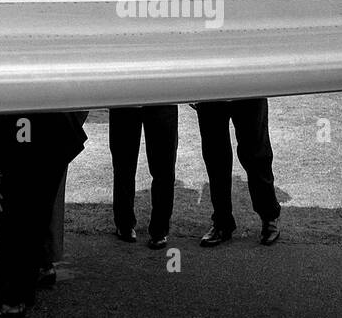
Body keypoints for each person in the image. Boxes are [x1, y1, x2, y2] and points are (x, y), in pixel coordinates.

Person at [0, 111, 89, 318]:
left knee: (16, 217)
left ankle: (14, 298)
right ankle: (21, 290)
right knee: (31, 218)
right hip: (49, 135)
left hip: (33, 138)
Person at [194, 98, 281, 246]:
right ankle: (222, 222)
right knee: (215, 156)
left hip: (247, 86)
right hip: (210, 86)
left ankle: (269, 217)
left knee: (256, 154)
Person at [108, 104, 178, 249]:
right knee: (123, 165)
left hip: (162, 95)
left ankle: (159, 228)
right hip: (126, 94)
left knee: (164, 166)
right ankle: (125, 223)